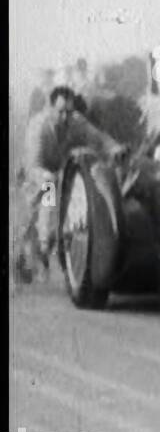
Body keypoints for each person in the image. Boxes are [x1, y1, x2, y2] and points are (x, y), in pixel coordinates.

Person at [16, 85, 124, 283]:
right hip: (34, 178)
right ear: (50, 108)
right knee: (38, 211)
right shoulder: (37, 127)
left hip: (58, 176)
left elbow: (98, 138)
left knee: (58, 197)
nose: (65, 117)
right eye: (60, 112)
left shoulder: (76, 122)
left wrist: (114, 148)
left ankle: (53, 245)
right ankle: (36, 248)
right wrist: (49, 177)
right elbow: (33, 165)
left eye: (69, 112)